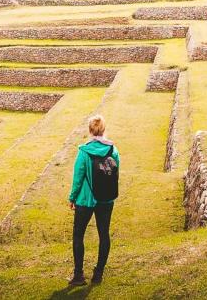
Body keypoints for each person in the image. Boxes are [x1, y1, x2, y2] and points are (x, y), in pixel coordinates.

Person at [67, 114, 120, 286]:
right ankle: (98, 274)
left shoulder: (84, 152)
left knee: (78, 235)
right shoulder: (113, 150)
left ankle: (78, 275)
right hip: (106, 199)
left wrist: (72, 197)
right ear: (104, 129)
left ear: (90, 130)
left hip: (85, 199)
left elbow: (78, 177)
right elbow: (115, 173)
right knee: (104, 234)